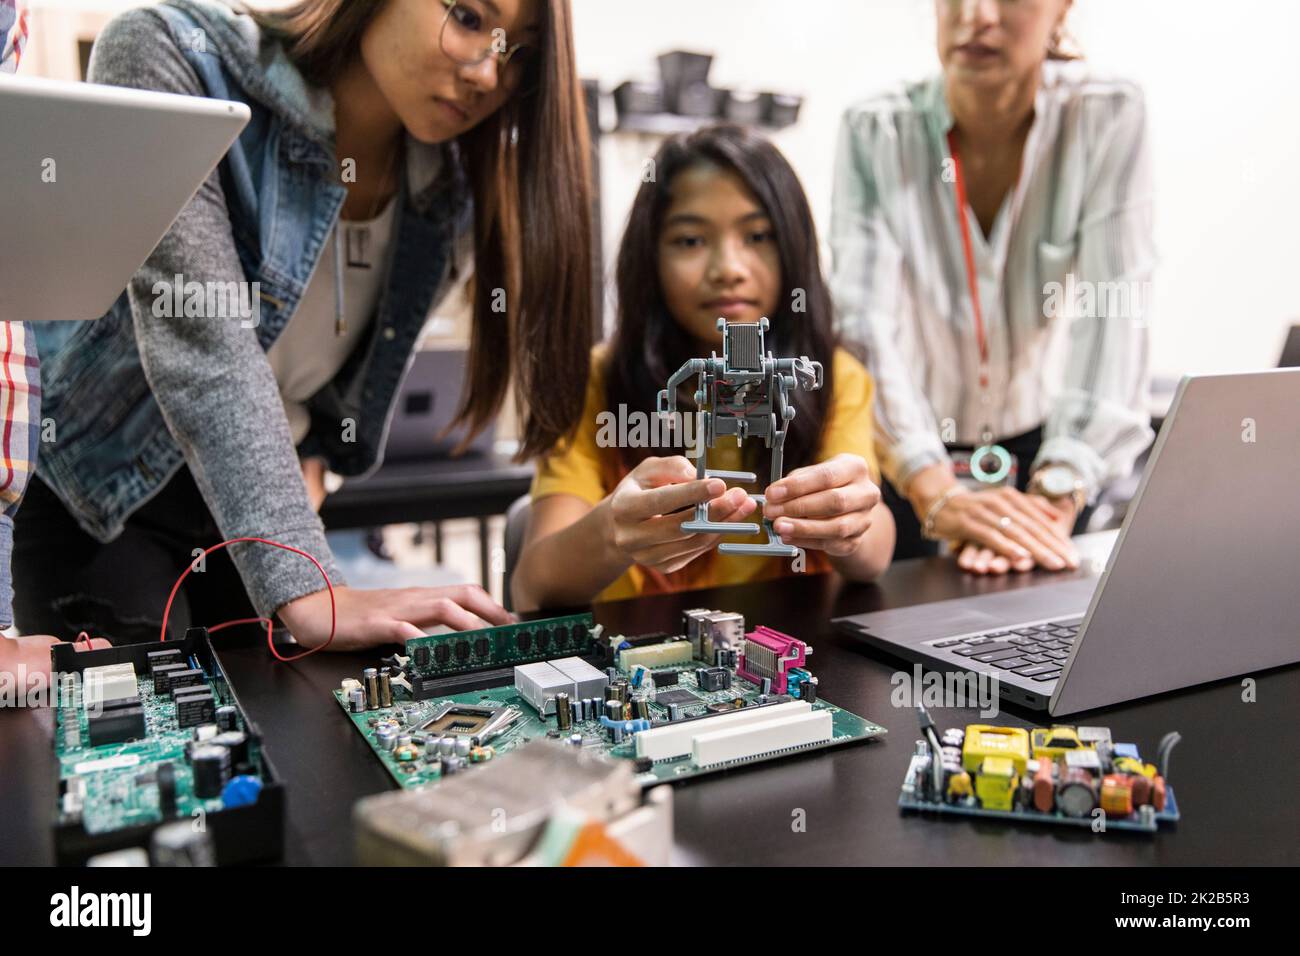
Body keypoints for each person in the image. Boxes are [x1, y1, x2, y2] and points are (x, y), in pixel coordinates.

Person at [17, 0, 595, 650]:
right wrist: (304, 585)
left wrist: (315, 465)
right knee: (144, 733)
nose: (490, 74)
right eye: (466, 17)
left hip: (265, 517)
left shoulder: (445, 193)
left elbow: (330, 379)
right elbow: (207, 345)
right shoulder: (172, 55)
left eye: (517, 53)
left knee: (304, 734)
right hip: (109, 498)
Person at [830, 0, 1154, 575]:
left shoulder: (1105, 115)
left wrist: (1057, 494)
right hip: (906, 448)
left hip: (1045, 456)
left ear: (1064, 11)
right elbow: (862, 324)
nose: (977, 15)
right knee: (897, 630)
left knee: (1027, 637)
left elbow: (1115, 307)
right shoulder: (876, 129)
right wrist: (932, 489)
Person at [512, 125, 894, 610]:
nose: (728, 268)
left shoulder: (835, 376)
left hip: (789, 649)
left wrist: (849, 520)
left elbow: (874, 549)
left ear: (794, 249)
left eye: (758, 235)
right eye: (691, 240)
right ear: (649, 258)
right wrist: (615, 531)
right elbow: (533, 586)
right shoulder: (596, 379)